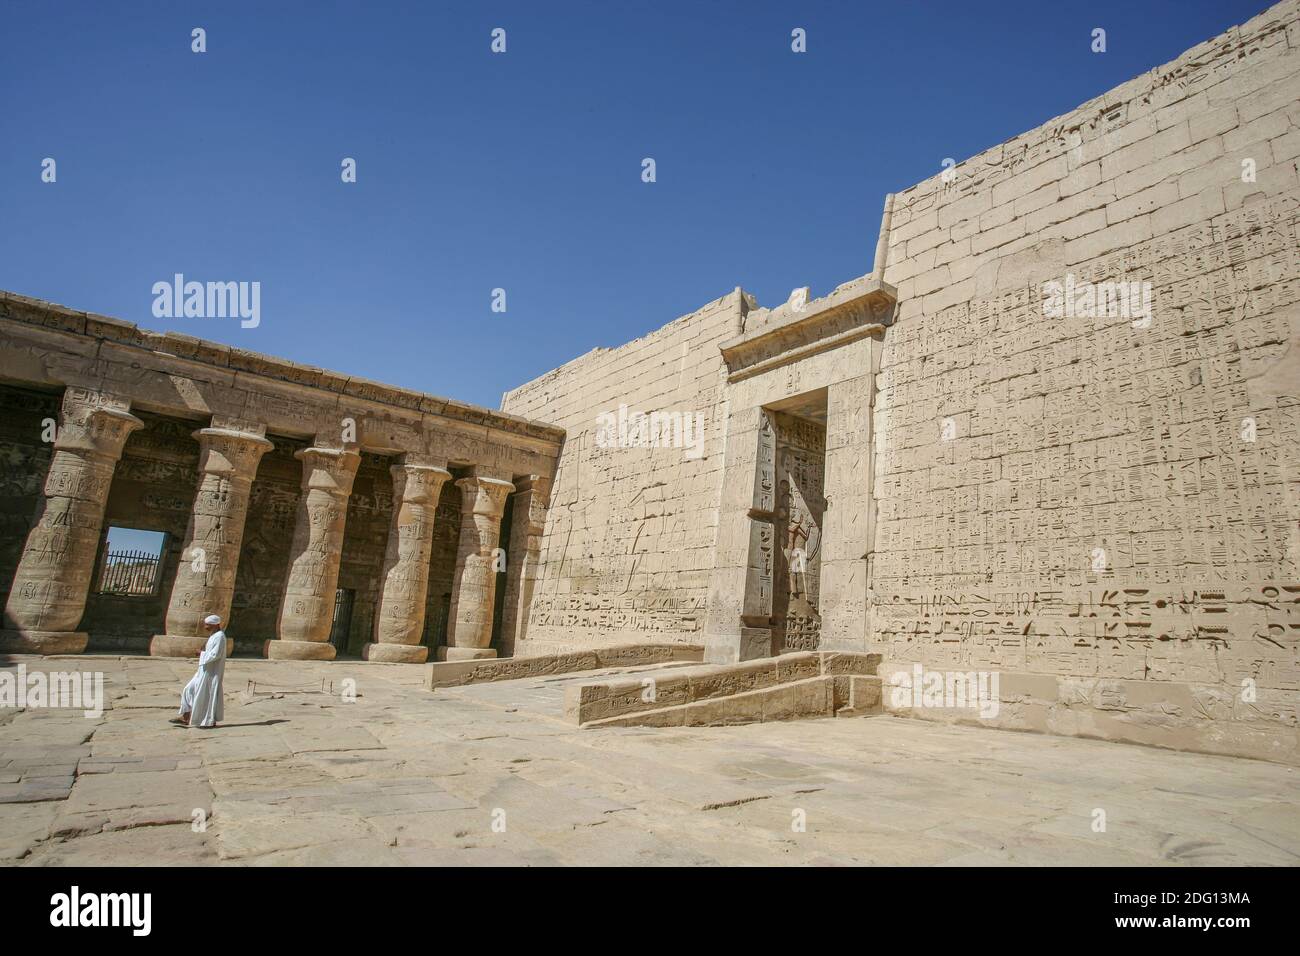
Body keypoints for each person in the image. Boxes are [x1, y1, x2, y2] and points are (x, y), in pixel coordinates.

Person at [171, 614, 226, 729]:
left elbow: (216, 655)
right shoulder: (213, 635)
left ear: (215, 625)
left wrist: (201, 654)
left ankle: (208, 720)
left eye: (208, 625)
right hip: (203, 670)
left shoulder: (220, 636)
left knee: (207, 695)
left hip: (211, 672)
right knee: (189, 689)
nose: (205, 627)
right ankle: (186, 716)